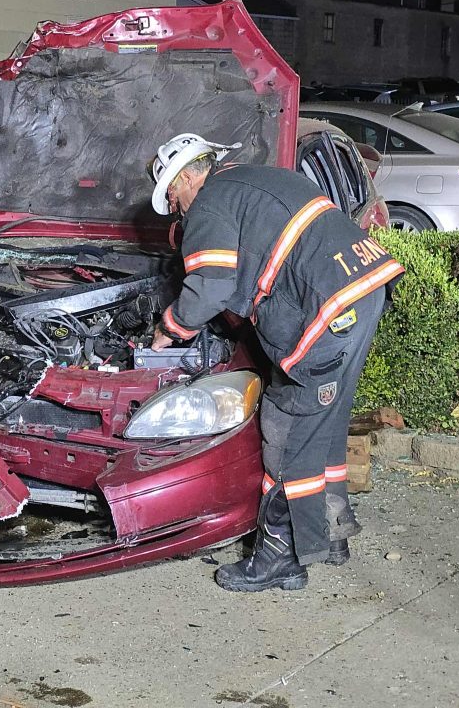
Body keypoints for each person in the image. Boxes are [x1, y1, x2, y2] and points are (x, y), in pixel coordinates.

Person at [147, 133, 404, 592]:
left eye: (172, 193)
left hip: (327, 306)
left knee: (287, 425)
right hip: (366, 286)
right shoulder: (254, 178)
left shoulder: (208, 203)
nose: (175, 206)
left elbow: (211, 285)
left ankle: (279, 554)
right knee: (327, 416)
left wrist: (170, 327)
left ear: (189, 175)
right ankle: (330, 532)